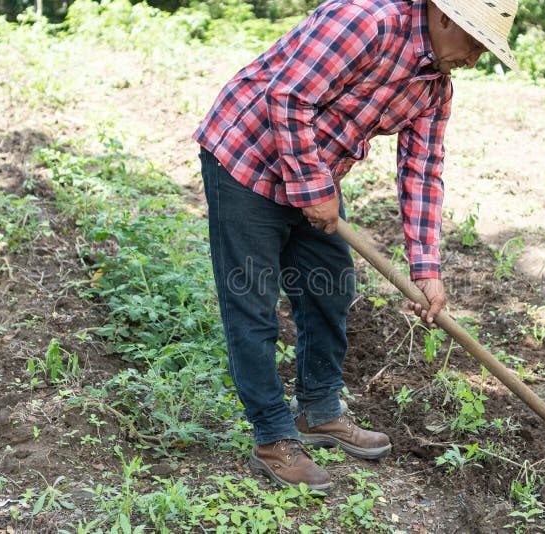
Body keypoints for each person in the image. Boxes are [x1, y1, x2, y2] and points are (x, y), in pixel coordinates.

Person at [194, 0, 518, 490]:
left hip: (313, 174)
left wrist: (425, 270)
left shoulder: (434, 88)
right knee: (253, 302)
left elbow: (422, 172)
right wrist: (313, 187)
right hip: (246, 158)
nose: (474, 59)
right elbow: (287, 96)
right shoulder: (366, 23)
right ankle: (273, 438)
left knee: (330, 289)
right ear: (446, 17)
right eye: (476, 43)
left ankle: (319, 410)